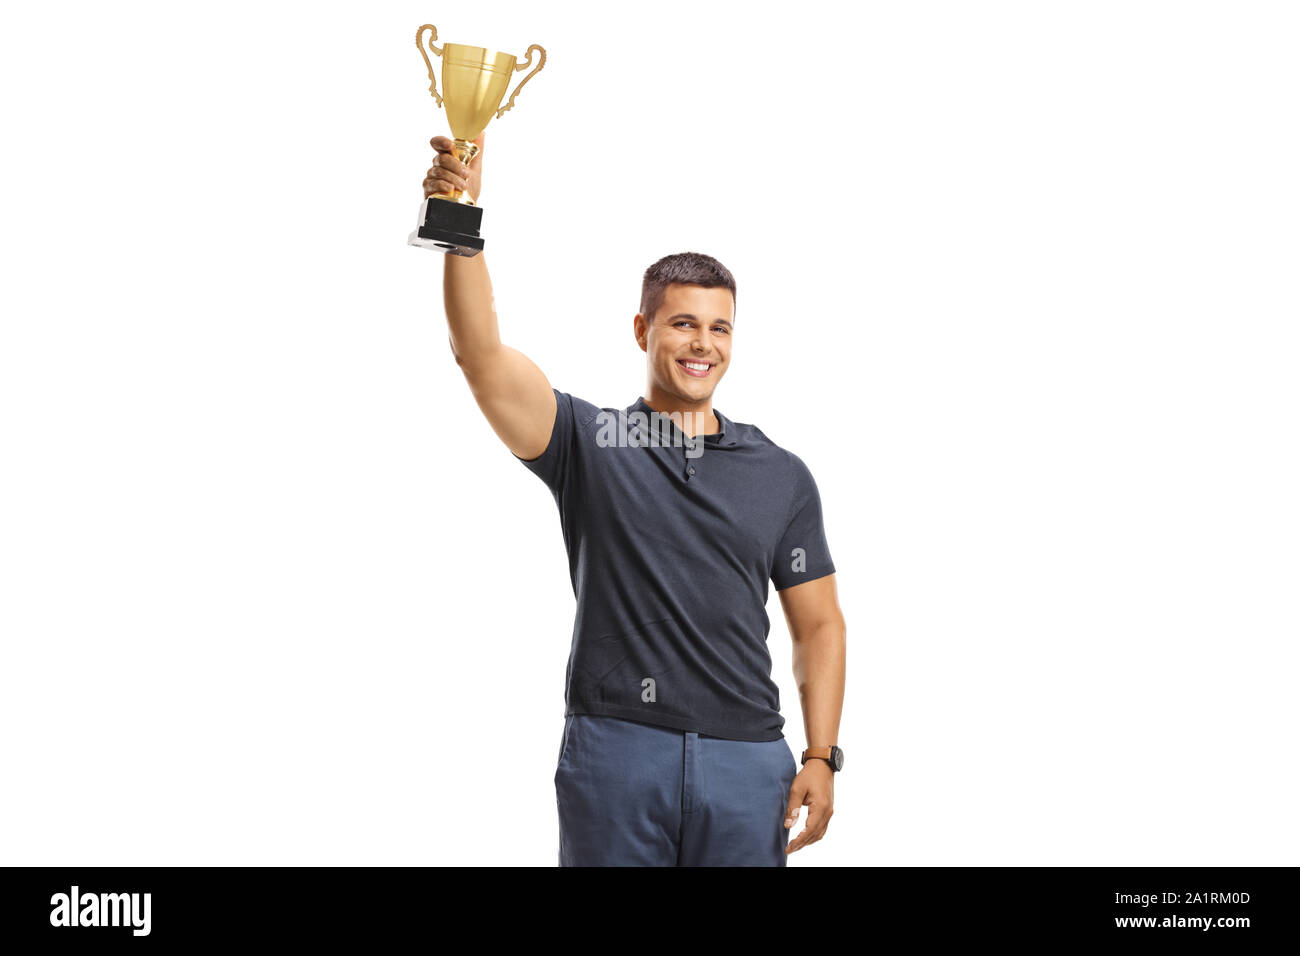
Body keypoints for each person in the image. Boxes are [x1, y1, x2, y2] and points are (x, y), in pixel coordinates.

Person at [424, 133, 847, 866]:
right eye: (683, 322)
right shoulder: (592, 440)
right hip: (619, 751)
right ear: (643, 328)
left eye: (719, 327)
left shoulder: (780, 472)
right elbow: (481, 357)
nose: (702, 344)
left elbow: (819, 626)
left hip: (748, 763)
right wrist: (458, 215)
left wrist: (820, 755)